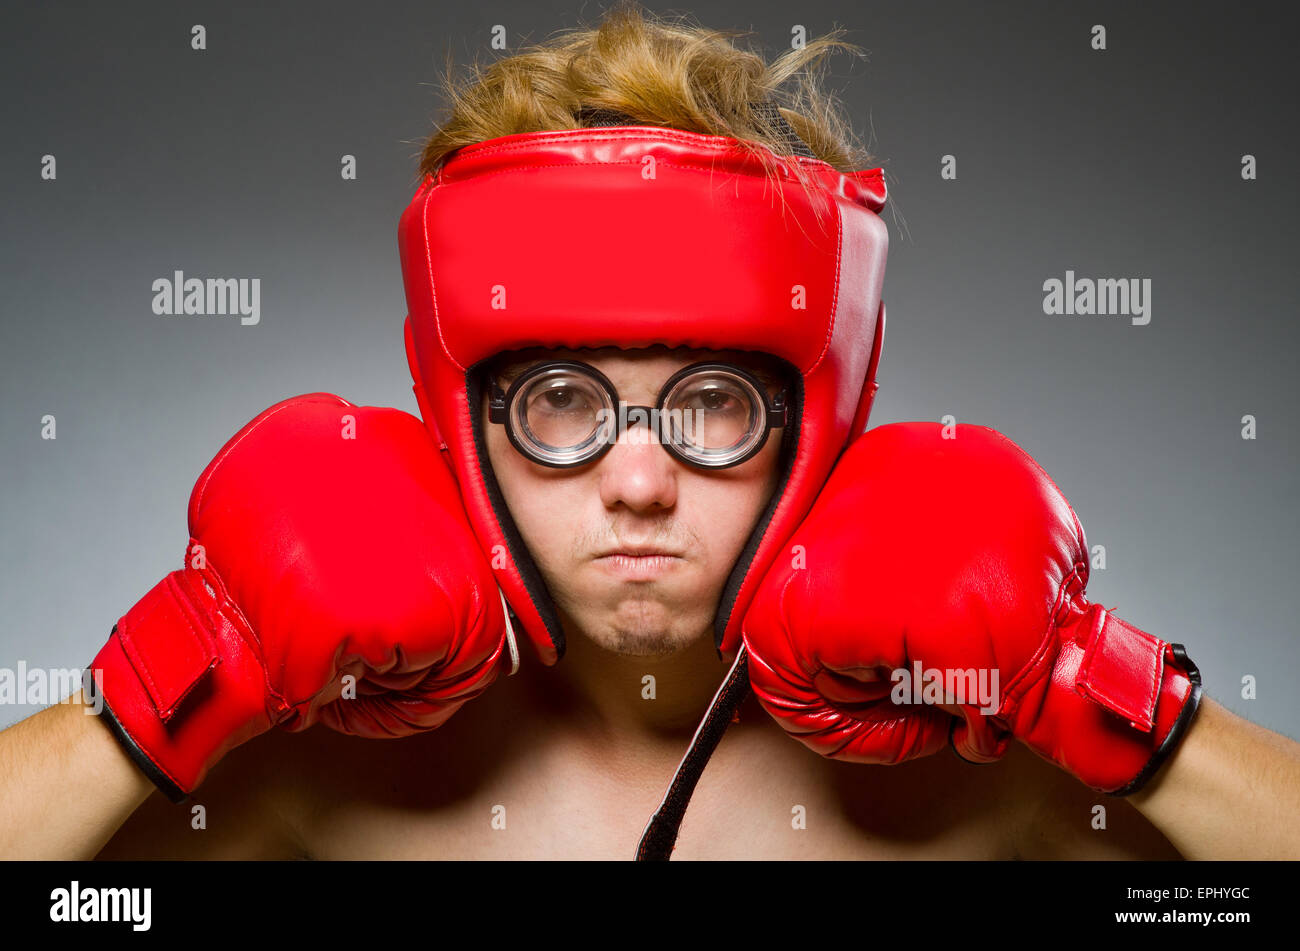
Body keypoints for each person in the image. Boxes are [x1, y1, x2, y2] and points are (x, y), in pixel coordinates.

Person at [2, 2, 1298, 862]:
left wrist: (1096, 687)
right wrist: (176, 672)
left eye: (712, 405)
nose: (636, 480)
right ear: (462, 418)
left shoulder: (984, 782)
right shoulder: (311, 778)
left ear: (817, 417)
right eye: (561, 399)